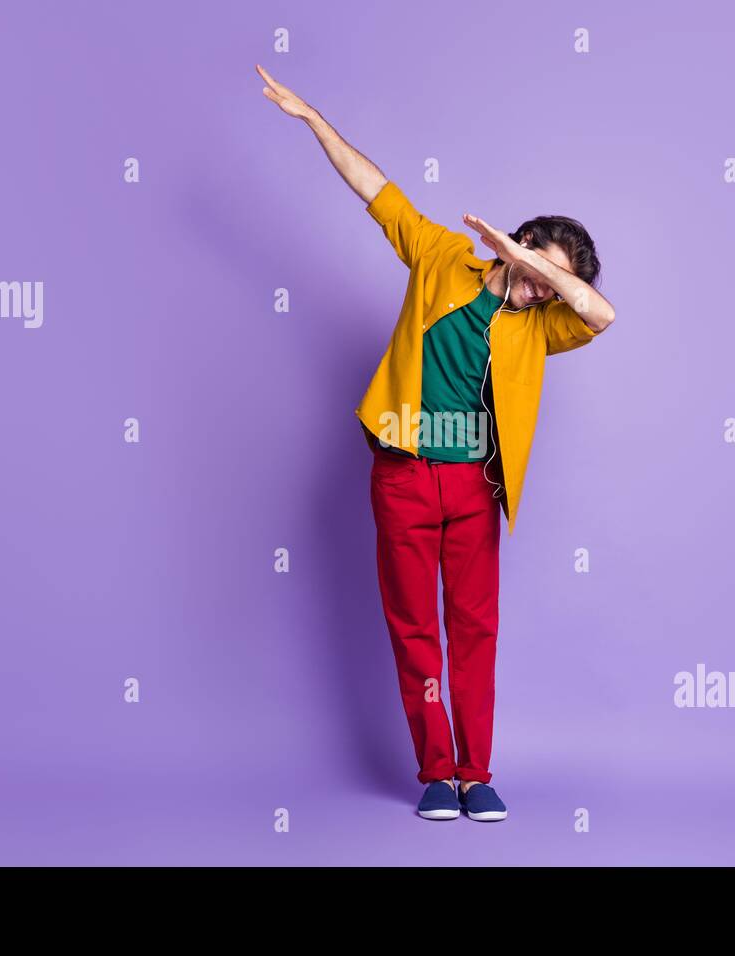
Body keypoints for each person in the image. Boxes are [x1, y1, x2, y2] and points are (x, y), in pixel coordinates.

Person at [257, 65, 615, 821]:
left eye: (549, 284)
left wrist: (532, 270)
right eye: (538, 269)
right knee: (414, 627)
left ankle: (477, 771)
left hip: (475, 489)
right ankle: (436, 773)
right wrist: (313, 118)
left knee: (475, 628)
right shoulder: (440, 257)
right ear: (516, 242)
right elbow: (374, 188)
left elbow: (601, 315)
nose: (542, 290)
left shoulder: (542, 323)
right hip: (405, 476)